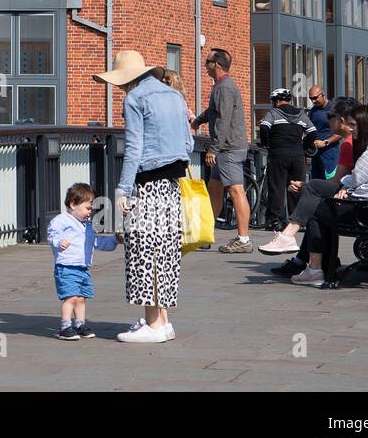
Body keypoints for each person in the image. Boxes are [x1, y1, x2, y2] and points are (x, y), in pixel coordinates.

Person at [95, 50, 193, 344]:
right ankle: (163, 321)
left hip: (147, 185)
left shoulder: (135, 99)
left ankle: (152, 324)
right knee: (164, 252)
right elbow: (188, 143)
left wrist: (123, 190)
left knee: (145, 253)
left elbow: (134, 148)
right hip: (172, 186)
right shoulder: (175, 96)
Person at [291, 97, 368, 286]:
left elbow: (358, 176)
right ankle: (314, 262)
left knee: (318, 209)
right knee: (322, 198)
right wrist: (347, 187)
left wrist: (346, 187)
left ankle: (315, 269)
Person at [260, 97, 360, 265]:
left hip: (361, 208)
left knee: (317, 207)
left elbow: (335, 183)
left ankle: (311, 262)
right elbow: (312, 132)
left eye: (329, 118)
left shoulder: (348, 144)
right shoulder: (356, 140)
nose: (328, 123)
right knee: (315, 195)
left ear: (341, 120)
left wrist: (268, 144)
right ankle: (308, 260)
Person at [192, 48, 252, 253]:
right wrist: (197, 121)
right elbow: (213, 112)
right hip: (225, 148)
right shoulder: (220, 86)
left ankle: (243, 239)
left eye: (207, 61)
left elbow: (224, 119)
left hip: (228, 148)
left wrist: (214, 149)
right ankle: (207, 235)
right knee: (214, 188)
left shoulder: (225, 87)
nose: (205, 64)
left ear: (216, 64)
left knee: (236, 190)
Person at [47, 183, 119, 340]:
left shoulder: (86, 226)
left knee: (81, 298)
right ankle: (65, 326)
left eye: (91, 208)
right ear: (73, 204)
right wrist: (59, 242)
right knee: (70, 297)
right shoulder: (61, 220)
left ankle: (79, 324)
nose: (90, 211)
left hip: (83, 268)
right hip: (66, 267)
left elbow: (96, 242)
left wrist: (114, 240)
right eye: (87, 208)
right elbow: (52, 235)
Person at [258, 88, 318, 231]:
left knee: (276, 188)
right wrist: (305, 146)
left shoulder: (274, 113)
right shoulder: (301, 114)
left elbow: (264, 127)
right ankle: (297, 222)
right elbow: (313, 132)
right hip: (297, 156)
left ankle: (275, 221)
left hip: (278, 154)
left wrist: (267, 143)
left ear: (276, 101)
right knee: (296, 187)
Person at [308, 87, 344, 180]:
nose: (314, 101)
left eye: (315, 97)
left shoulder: (334, 109)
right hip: (316, 154)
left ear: (323, 95)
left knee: (330, 183)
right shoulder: (313, 111)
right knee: (315, 184)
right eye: (311, 98)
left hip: (330, 154)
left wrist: (326, 142)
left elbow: (342, 131)